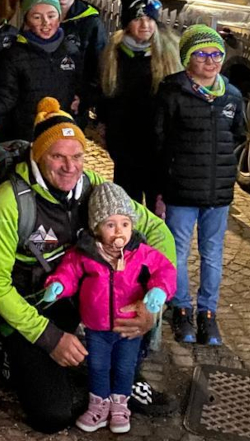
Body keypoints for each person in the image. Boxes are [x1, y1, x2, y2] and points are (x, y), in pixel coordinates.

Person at [0, 97, 176, 433]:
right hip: (38, 304)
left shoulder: (97, 188)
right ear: (39, 156)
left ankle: (124, 378)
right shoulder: (7, 203)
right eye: (58, 156)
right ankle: (15, 351)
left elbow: (156, 230)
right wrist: (49, 337)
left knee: (132, 292)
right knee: (52, 415)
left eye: (77, 156)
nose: (70, 167)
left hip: (90, 295)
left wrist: (152, 304)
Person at [42, 182, 176, 434]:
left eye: (125, 224)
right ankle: (98, 405)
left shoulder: (141, 252)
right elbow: (69, 272)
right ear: (96, 228)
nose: (119, 231)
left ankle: (120, 405)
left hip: (129, 327)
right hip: (96, 327)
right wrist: (58, 285)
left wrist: (158, 291)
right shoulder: (86, 253)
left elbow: (164, 270)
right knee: (97, 366)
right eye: (110, 225)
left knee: (126, 367)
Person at [154, 25, 245, 346]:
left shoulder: (231, 96)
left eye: (216, 53)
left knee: (212, 253)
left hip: (217, 192)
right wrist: (162, 187)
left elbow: (239, 135)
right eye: (202, 54)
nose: (210, 60)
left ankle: (208, 312)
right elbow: (159, 140)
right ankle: (181, 309)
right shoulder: (172, 92)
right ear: (187, 59)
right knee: (177, 251)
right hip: (180, 189)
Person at [97, 0, 181, 210]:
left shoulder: (167, 53)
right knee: (128, 204)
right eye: (137, 18)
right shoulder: (114, 53)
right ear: (126, 22)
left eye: (150, 19)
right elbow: (106, 92)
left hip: (156, 146)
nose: (145, 25)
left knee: (157, 206)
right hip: (125, 144)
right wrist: (104, 122)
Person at [0, 0, 82, 141]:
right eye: (37, 17)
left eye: (51, 16)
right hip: (27, 135)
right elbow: (6, 98)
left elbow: (81, 87)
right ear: (26, 20)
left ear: (59, 17)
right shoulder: (14, 55)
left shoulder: (71, 51)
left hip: (63, 133)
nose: (46, 22)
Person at [47, 0, 108, 125]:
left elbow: (100, 67)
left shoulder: (90, 23)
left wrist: (85, 99)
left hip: (73, 105)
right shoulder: (39, 15)